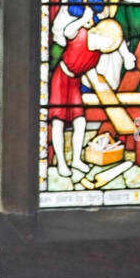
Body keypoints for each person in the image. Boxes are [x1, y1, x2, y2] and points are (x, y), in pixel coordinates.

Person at [48, 10, 125, 178]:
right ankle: (61, 162)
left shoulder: (96, 54)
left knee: (80, 121)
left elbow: (88, 69)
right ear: (103, 34)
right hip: (61, 78)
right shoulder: (81, 34)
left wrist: (98, 84)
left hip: (74, 82)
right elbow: (68, 32)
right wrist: (83, 18)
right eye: (109, 43)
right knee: (58, 121)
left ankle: (76, 159)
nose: (108, 48)